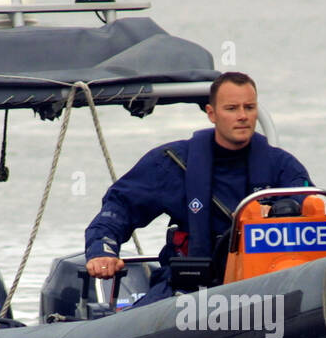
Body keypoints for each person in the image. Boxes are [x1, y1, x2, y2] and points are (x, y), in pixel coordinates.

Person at [85, 72, 312, 306]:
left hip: (267, 288)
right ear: (211, 114)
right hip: (189, 289)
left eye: (249, 107)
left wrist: (273, 214)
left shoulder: (282, 167)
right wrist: (102, 250)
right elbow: (120, 207)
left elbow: (311, 211)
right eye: (232, 108)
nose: (243, 116)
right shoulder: (172, 163)